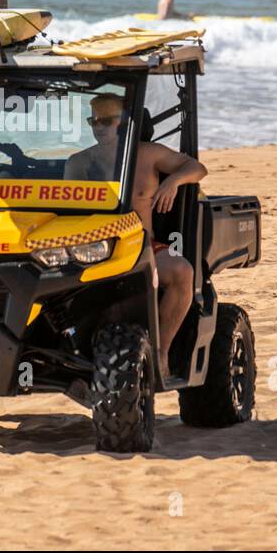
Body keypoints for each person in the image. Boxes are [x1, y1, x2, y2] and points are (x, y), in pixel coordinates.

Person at [65, 94, 208, 381]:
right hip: (96, 248)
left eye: (107, 121)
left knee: (183, 272)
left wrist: (172, 181)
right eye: (95, 121)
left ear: (124, 122)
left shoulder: (149, 154)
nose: (100, 128)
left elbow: (197, 168)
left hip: (144, 244)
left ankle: (161, 353)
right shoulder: (81, 162)